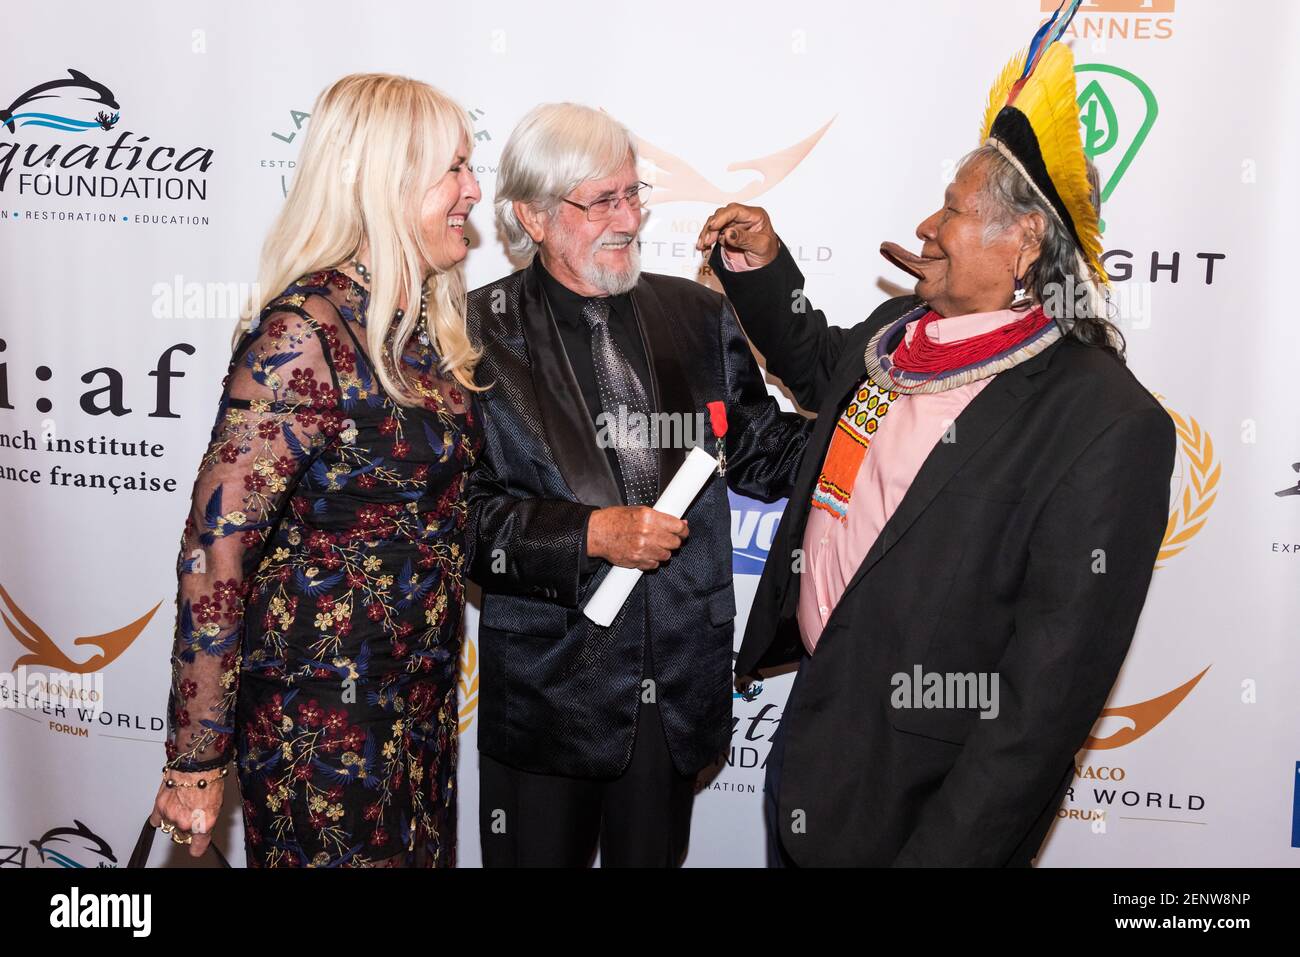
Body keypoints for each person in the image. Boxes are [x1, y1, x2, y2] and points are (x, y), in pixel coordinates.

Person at [697, 0, 1176, 866]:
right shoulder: (903, 335)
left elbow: (1045, 698)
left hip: (926, 798)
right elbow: (819, 366)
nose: (926, 226)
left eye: (950, 209)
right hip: (817, 743)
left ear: (1023, 241)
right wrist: (761, 264)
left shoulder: (1106, 421)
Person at [466, 102, 813, 866]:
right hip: (548, 692)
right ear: (532, 214)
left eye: (633, 194)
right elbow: (455, 519)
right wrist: (588, 534)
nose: (628, 219)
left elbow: (760, 450)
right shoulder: (473, 334)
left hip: (673, 688)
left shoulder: (697, 314)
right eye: (602, 202)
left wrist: (884, 429)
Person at [151, 73, 483, 867]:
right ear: (386, 182)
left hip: (418, 711)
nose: (474, 190)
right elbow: (216, 547)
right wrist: (197, 756)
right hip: (322, 728)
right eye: (454, 169)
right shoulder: (305, 334)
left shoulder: (418, 330)